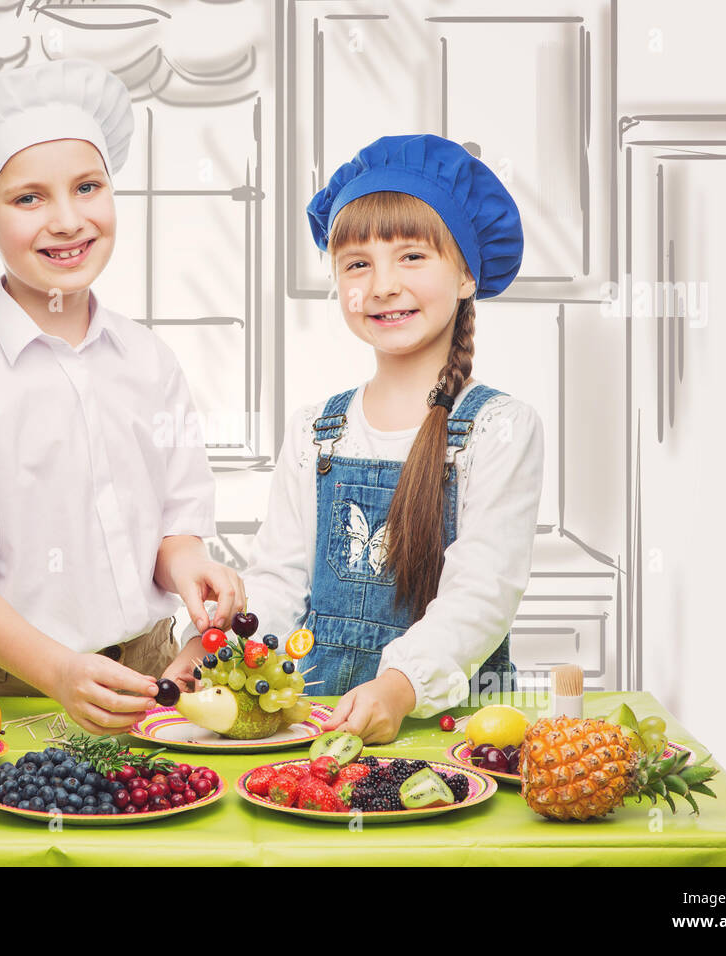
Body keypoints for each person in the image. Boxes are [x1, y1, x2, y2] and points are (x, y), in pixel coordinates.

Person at [0, 58, 244, 736]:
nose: (66, 220)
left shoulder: (150, 361)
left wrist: (192, 569)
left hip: (154, 672)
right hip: (16, 687)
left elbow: (174, 526)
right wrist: (59, 671)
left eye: (87, 187)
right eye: (28, 199)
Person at [162, 134, 543, 744]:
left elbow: (481, 594)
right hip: (312, 722)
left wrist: (399, 687)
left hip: (445, 729)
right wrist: (213, 658)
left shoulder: (498, 428)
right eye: (358, 263)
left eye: (412, 257)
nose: (383, 285)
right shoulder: (318, 429)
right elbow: (281, 583)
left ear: (468, 274)